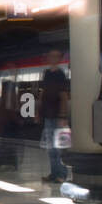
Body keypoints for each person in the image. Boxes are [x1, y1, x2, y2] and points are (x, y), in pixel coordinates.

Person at [38, 49, 69, 183]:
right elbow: (42, 94)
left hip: (57, 116)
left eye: (56, 56)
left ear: (59, 58)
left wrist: (63, 116)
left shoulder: (60, 75)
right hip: (48, 115)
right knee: (51, 147)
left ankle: (61, 174)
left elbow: (64, 96)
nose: (53, 58)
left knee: (58, 147)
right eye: (51, 56)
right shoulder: (46, 74)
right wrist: (38, 112)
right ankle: (54, 173)